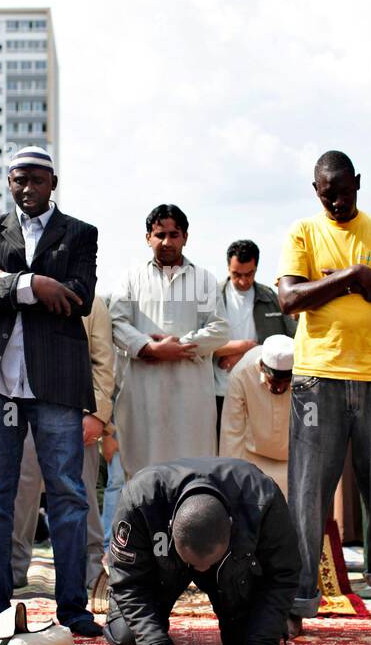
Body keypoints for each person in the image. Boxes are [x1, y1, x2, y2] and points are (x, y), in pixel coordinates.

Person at [0, 146, 101, 637]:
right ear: (9, 181)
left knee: (68, 496)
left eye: (37, 180)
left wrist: (5, 281)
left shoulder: (80, 233)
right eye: (19, 180)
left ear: (52, 182)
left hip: (55, 383)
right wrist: (31, 283)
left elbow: (78, 297)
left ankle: (74, 610)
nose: (27, 188)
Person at [277, 151, 371, 640]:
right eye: (327, 193)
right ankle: (298, 606)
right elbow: (289, 299)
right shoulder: (303, 232)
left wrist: (370, 287)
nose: (338, 201)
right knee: (307, 496)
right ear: (314, 190)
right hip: (318, 379)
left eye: (345, 191)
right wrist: (354, 278)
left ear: (359, 183)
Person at [105, 457, 300, 645]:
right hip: (161, 571)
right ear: (170, 529)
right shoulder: (139, 500)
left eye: (207, 562)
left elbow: (282, 574)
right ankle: (155, 625)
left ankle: (277, 622)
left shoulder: (262, 498)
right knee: (127, 639)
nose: (201, 569)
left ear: (232, 526)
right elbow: (127, 581)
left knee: (245, 639)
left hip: (232, 571)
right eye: (195, 563)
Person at [111, 204, 229, 478]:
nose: (166, 242)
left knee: (193, 475)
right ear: (147, 238)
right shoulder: (130, 279)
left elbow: (220, 329)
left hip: (191, 396)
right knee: (144, 478)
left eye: (174, 234)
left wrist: (180, 347)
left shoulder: (203, 280)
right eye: (159, 234)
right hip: (143, 394)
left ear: (185, 237)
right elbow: (116, 323)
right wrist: (149, 348)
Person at [11, 294, 116, 592]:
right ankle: (12, 572)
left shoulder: (91, 301)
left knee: (79, 498)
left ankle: (91, 575)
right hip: (23, 412)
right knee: (19, 495)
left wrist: (97, 415)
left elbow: (103, 362)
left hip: (76, 414)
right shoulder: (23, 292)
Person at [212, 240, 298, 426]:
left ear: (256, 268)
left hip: (259, 390)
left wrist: (243, 355)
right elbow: (200, 343)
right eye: (236, 274)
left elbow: (290, 341)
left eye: (249, 274)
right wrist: (245, 346)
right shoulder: (211, 297)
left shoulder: (271, 298)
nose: (243, 281)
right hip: (218, 391)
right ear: (228, 267)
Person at [218, 334, 294, 493]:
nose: (279, 388)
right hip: (252, 462)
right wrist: (230, 483)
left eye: (285, 382)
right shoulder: (241, 374)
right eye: (274, 382)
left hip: (293, 464)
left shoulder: (305, 378)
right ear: (261, 368)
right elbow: (231, 433)